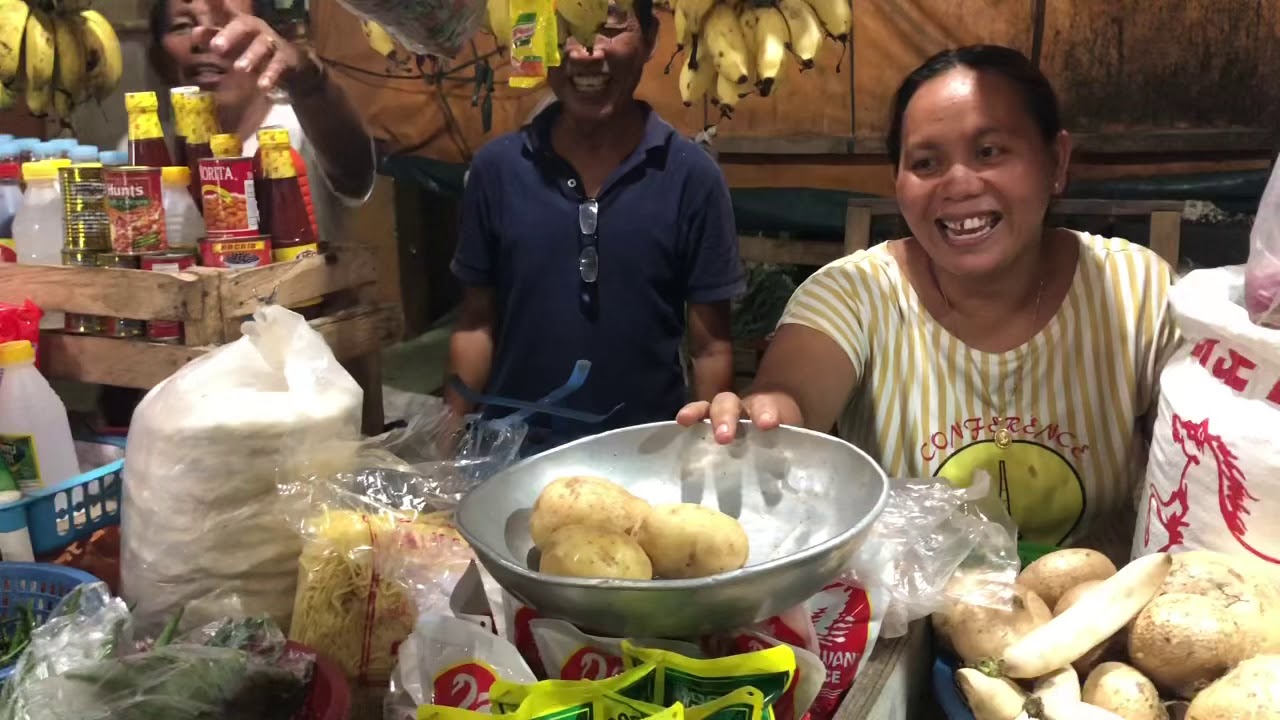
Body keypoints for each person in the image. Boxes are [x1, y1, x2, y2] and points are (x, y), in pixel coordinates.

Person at [678, 45, 1181, 555]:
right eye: (925, 162)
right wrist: (763, 423)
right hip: (907, 602)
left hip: (1105, 597)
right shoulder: (855, 293)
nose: (958, 184)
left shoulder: (1134, 289)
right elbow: (792, 396)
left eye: (989, 151)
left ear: (1056, 161)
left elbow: (1200, 446)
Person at [447, 0, 743, 452]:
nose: (585, 50)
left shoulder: (691, 177)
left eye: (609, 25)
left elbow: (711, 348)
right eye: (563, 28)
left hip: (647, 458)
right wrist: (447, 445)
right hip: (512, 459)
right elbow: (475, 324)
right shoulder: (496, 171)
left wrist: (712, 451)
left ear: (650, 38)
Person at [146, 0, 376, 234]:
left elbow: (355, 177)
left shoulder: (307, 130)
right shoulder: (147, 150)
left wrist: (306, 80)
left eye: (226, 25)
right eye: (183, 27)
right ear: (158, 57)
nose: (204, 41)